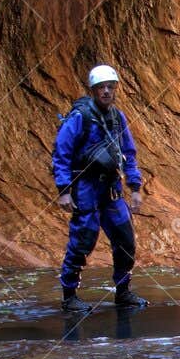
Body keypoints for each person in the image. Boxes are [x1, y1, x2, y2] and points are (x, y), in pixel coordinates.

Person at [52, 64, 147, 314]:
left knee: (125, 240)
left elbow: (129, 153)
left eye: (110, 87)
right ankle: (69, 296)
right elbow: (61, 153)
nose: (106, 91)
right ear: (93, 90)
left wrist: (135, 186)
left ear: (115, 89)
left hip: (111, 188)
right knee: (82, 241)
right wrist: (64, 190)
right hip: (86, 187)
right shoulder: (80, 118)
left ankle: (123, 292)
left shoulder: (118, 118)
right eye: (101, 88)